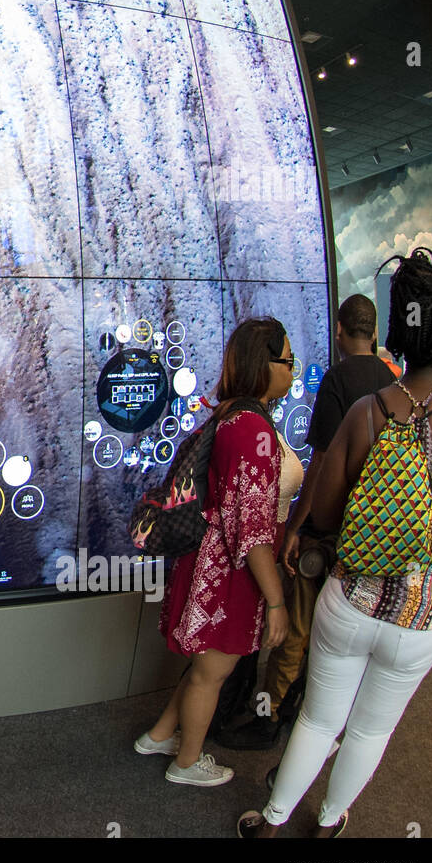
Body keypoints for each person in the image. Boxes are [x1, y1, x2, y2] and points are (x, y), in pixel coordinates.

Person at [239, 250, 432, 838]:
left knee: (318, 716)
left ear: (399, 340)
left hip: (352, 600)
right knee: (370, 730)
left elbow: (330, 511)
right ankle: (330, 820)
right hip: (422, 617)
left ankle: (270, 820)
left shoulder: (367, 412)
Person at [221, 295, 394, 750]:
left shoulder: (337, 380)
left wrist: (296, 526)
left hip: (326, 529)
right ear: (373, 332)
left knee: (294, 629)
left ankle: (271, 715)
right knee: (342, 634)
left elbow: (319, 464)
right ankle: (319, 718)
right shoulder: (393, 382)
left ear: (339, 331)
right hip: (371, 533)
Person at [135, 317, 299, 786]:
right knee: (212, 673)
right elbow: (250, 531)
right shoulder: (253, 429)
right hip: (227, 574)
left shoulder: (232, 415)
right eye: (287, 361)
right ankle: (186, 763)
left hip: (206, 563)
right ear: (263, 365)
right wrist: (275, 601)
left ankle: (161, 734)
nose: (292, 371)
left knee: (204, 664)